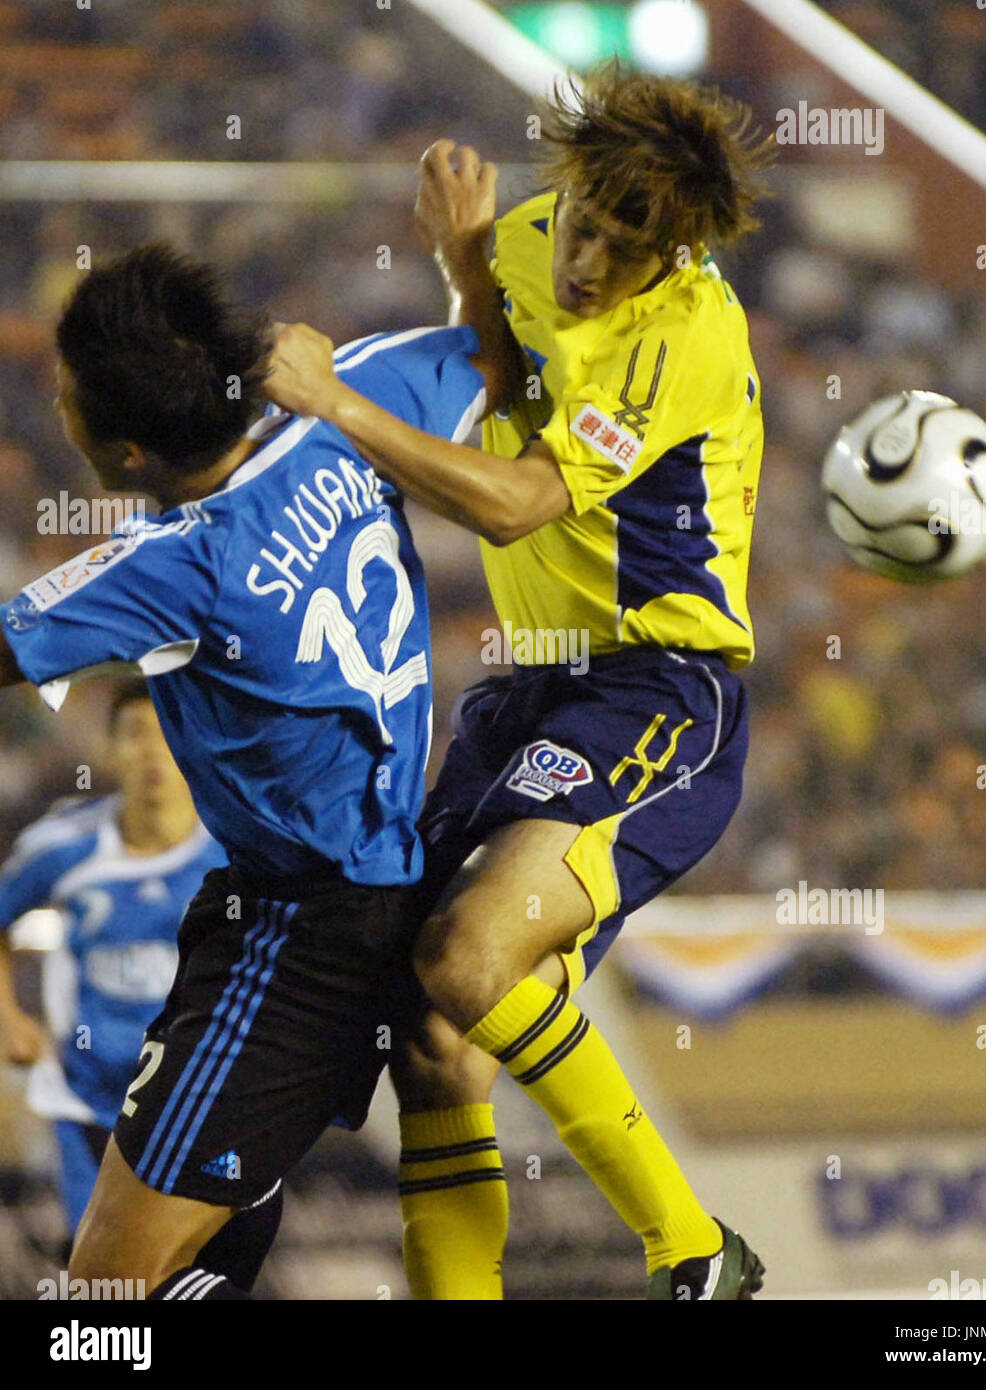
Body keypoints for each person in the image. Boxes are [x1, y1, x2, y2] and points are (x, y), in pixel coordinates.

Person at [264, 61, 774, 1300]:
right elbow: (510, 371)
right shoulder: (539, 231)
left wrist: (335, 404)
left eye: (620, 248)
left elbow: (515, 507)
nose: (584, 262)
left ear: (681, 250)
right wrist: (468, 265)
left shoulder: (681, 337)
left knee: (463, 960)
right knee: (431, 1037)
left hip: (658, 692)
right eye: (582, 224)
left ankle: (694, 1248)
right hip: (524, 692)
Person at [0, 243, 511, 1299]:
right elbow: (495, 358)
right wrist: (465, 262)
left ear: (128, 447)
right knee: (197, 1262)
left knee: (97, 1302)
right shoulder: (343, 401)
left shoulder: (180, 560)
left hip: (296, 938)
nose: (57, 410)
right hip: (347, 891)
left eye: (66, 397)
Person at [0, 679, 281, 1290]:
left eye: (167, 736)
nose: (153, 754)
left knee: (187, 1273)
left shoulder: (242, 848)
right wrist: (9, 1018)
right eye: (135, 736)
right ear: (110, 750)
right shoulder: (64, 847)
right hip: (91, 1108)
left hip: (205, 1103)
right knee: (103, 1285)